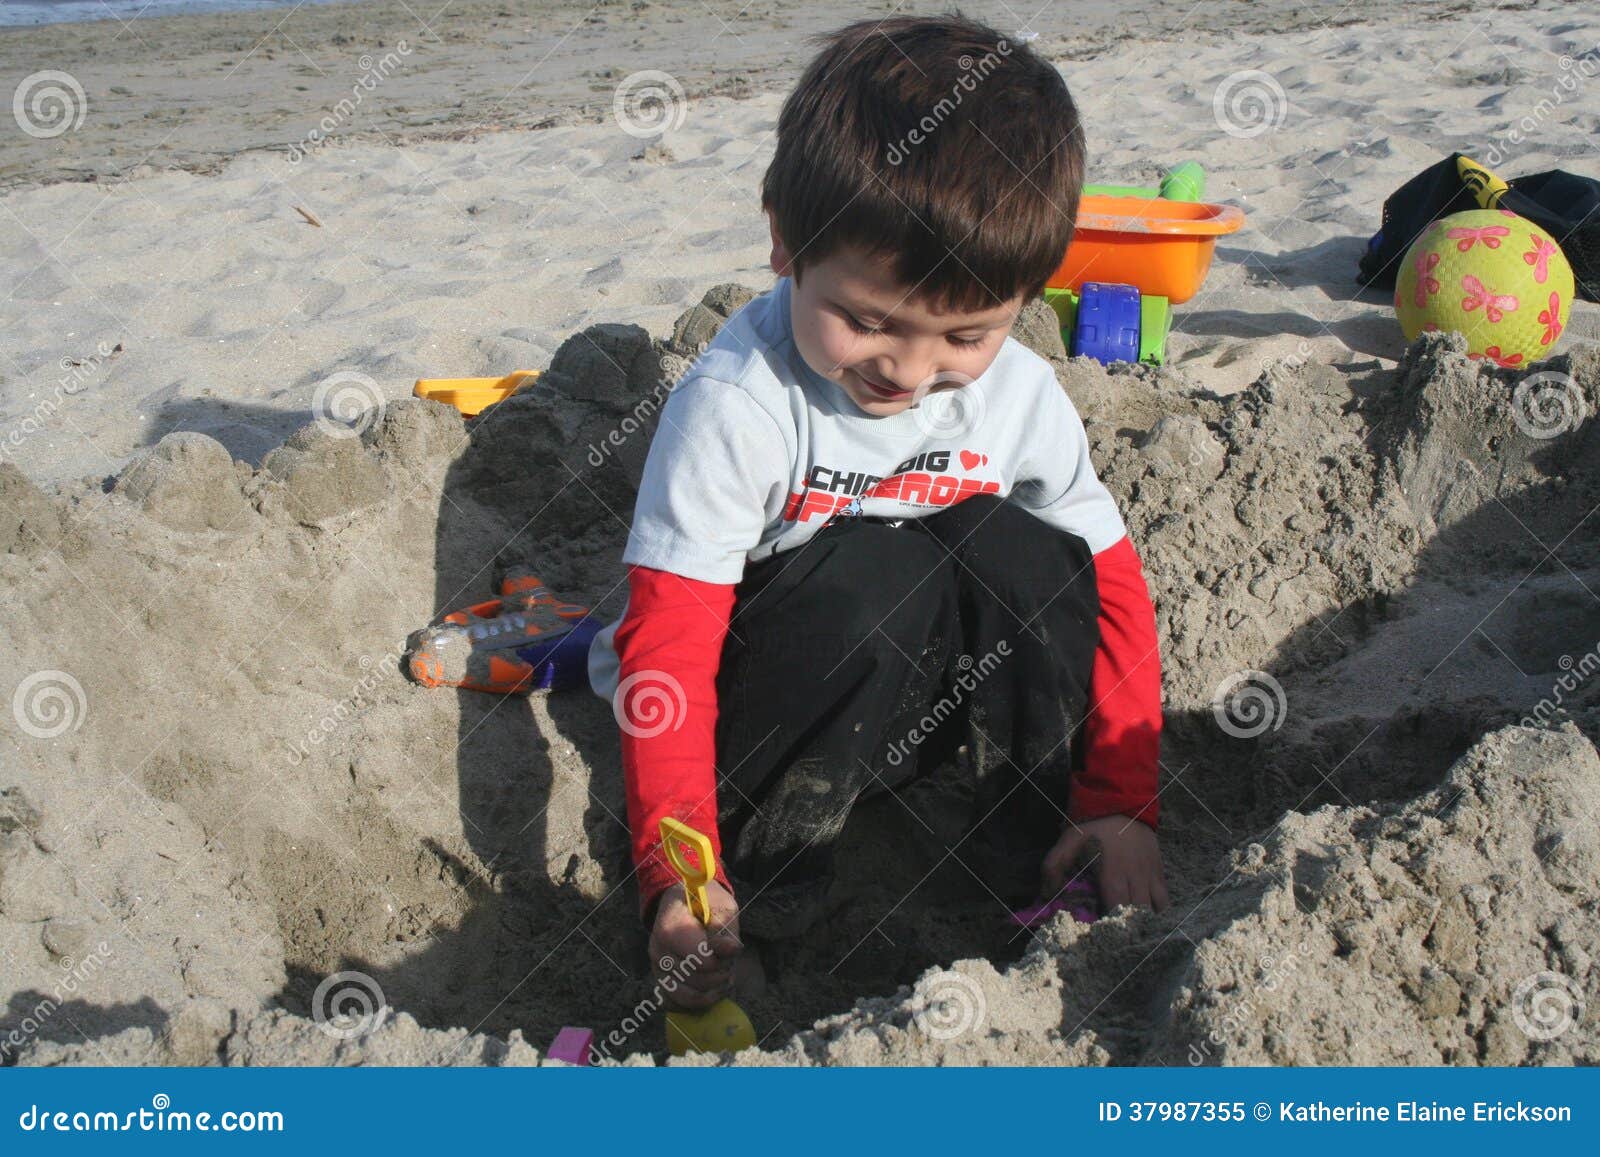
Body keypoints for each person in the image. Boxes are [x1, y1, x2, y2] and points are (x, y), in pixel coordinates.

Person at [587, 13, 1166, 1012]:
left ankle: (1040, 849)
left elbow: (1108, 586)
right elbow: (672, 651)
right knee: (876, 574)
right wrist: (676, 882)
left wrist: (1123, 803)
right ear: (783, 237)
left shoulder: (1020, 395)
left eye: (966, 333)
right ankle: (765, 897)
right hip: (769, 699)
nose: (906, 370)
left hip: (913, 702)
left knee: (1030, 552)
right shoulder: (739, 401)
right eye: (864, 320)